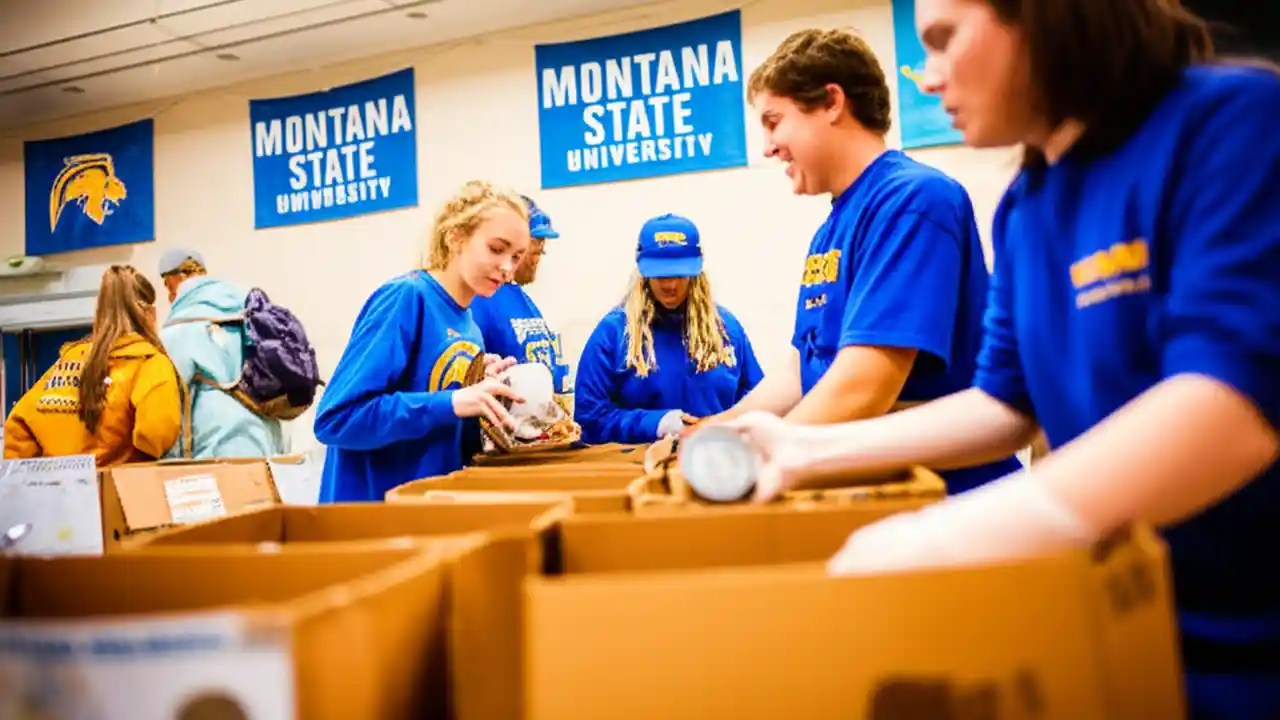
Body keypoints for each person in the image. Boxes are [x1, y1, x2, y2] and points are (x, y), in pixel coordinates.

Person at [726, 2, 1280, 716]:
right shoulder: (1027, 201)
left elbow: (1232, 409)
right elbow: (1003, 405)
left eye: (944, 40)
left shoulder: (1231, 121)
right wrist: (801, 450)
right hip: (1118, 605)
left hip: (1249, 633)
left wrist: (942, 536)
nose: (927, 78)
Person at [704, 27, 1018, 494]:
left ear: (832, 102)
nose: (768, 147)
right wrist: (715, 430)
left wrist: (742, 464)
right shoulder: (830, 230)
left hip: (945, 495)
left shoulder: (913, 200)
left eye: (774, 121)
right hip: (869, 490)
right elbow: (798, 372)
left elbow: (864, 385)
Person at [313, 180, 531, 502]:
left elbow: (438, 425)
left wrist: (484, 397)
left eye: (517, 257)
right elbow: (337, 419)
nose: (507, 268)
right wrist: (452, 401)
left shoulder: (470, 327)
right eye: (497, 249)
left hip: (425, 511)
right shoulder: (407, 298)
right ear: (455, 238)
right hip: (371, 515)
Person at [575, 213, 763, 444]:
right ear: (643, 273)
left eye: (679, 274)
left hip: (715, 458)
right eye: (660, 275)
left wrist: (723, 427)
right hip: (640, 462)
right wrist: (657, 424)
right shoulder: (614, 334)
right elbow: (589, 419)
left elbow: (759, 405)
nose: (670, 285)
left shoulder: (726, 330)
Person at [3, 265, 181, 465]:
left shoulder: (66, 363)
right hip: (116, 481)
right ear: (149, 313)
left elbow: (18, 426)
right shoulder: (148, 362)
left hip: (58, 483)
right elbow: (156, 432)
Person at [157, 248, 285, 459]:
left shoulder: (178, 329)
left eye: (167, 285)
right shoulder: (248, 314)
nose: (169, 296)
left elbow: (169, 406)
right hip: (268, 442)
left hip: (215, 449)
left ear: (180, 277)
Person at [469, 196, 573, 407]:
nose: (537, 258)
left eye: (541, 250)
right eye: (533, 249)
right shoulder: (481, 299)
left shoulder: (521, 298)